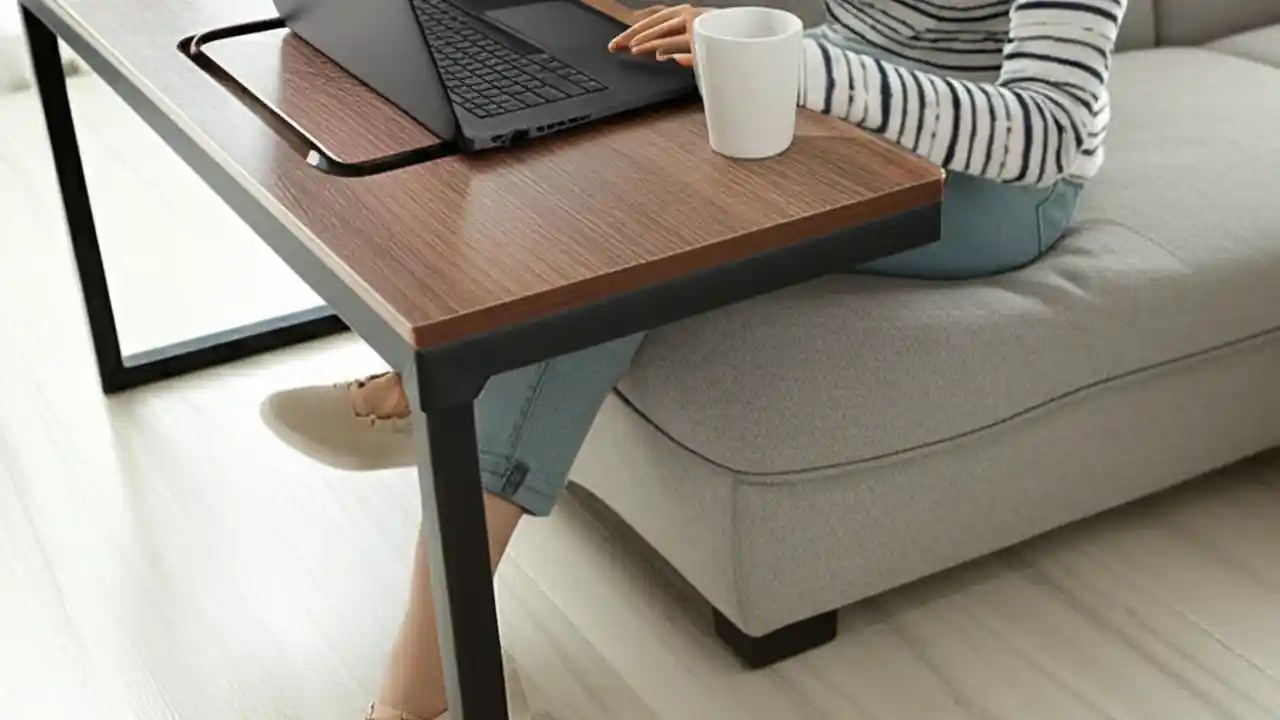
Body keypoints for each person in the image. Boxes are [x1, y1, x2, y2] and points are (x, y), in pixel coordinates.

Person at [262, 1, 1127, 717]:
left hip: (990, 187)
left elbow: (1044, 134)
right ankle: (447, 392)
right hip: (835, 89)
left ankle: (415, 691)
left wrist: (801, 71)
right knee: (600, 126)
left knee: (629, 230)